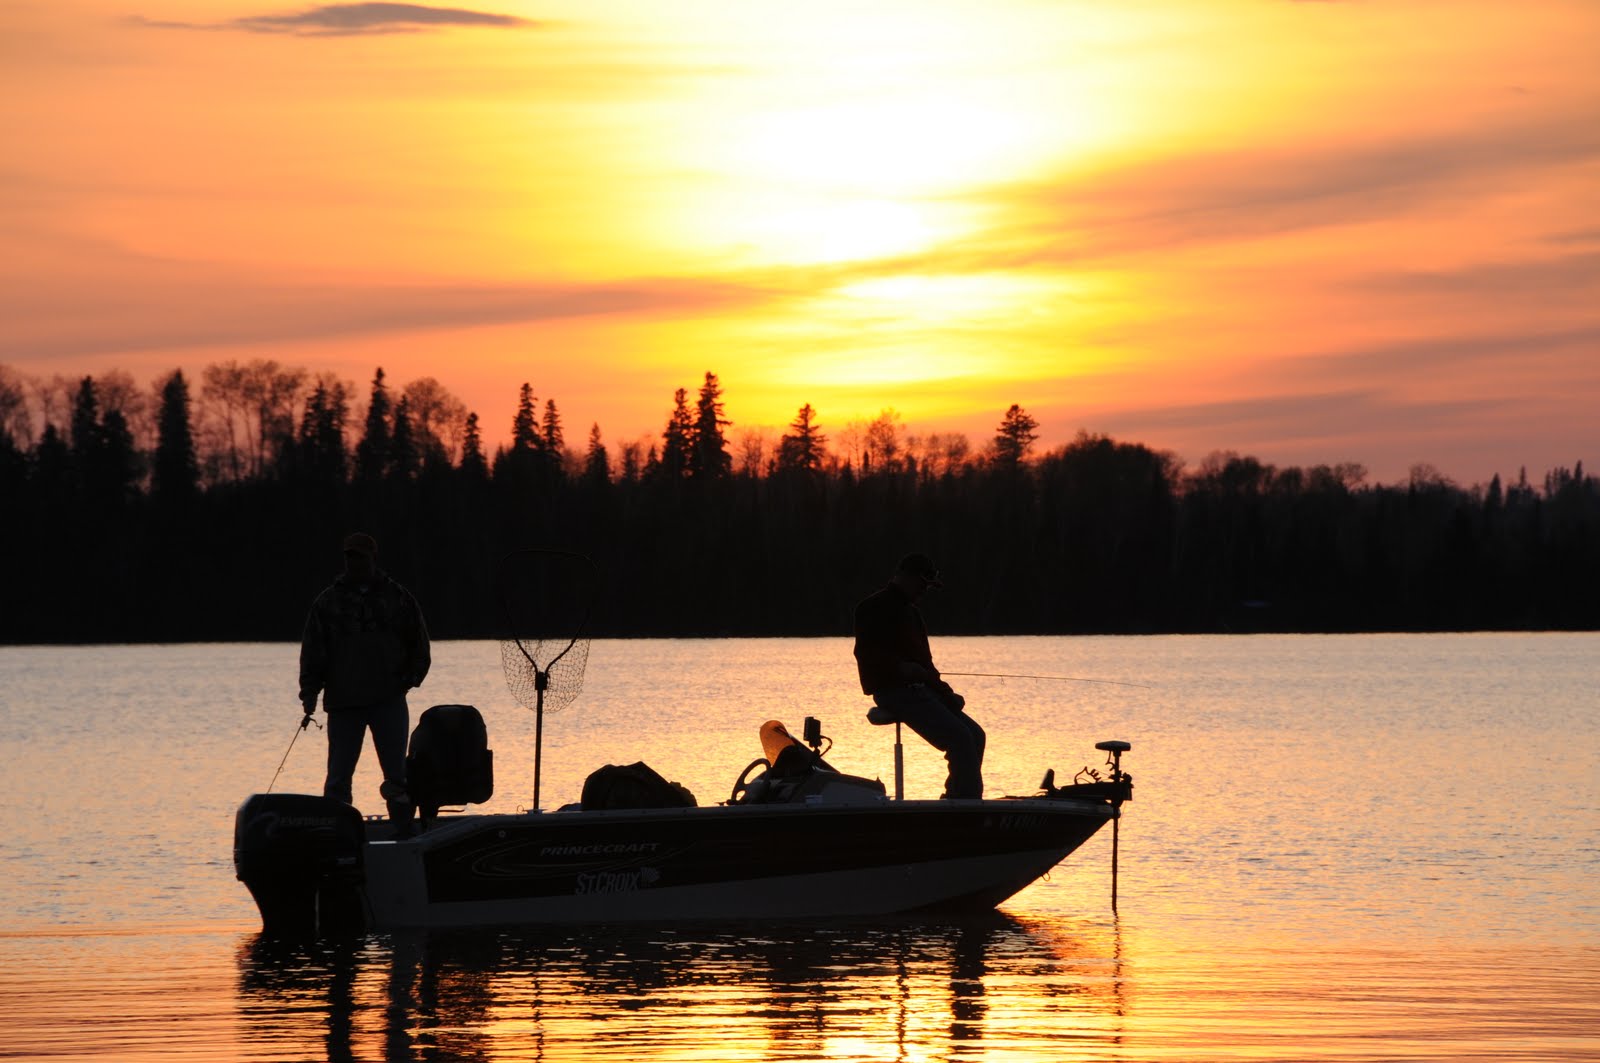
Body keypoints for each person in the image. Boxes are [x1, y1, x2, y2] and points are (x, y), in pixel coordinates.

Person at [299, 532, 431, 833]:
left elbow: (419, 643)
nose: (354, 562)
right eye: (349, 556)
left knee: (397, 778)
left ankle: (404, 835)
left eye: (359, 556)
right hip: (344, 704)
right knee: (338, 780)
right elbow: (313, 652)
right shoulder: (327, 602)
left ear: (373, 558)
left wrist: (408, 681)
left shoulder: (397, 597)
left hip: (388, 701)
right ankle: (336, 835)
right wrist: (309, 692)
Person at [853, 553, 985, 799]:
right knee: (960, 739)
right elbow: (867, 655)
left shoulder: (912, 614)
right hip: (892, 692)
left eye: (928, 585)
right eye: (922, 583)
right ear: (904, 576)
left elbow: (927, 666)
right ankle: (966, 805)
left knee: (976, 735)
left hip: (922, 691)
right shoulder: (871, 608)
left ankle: (956, 798)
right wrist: (900, 668)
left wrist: (947, 695)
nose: (924, 590)